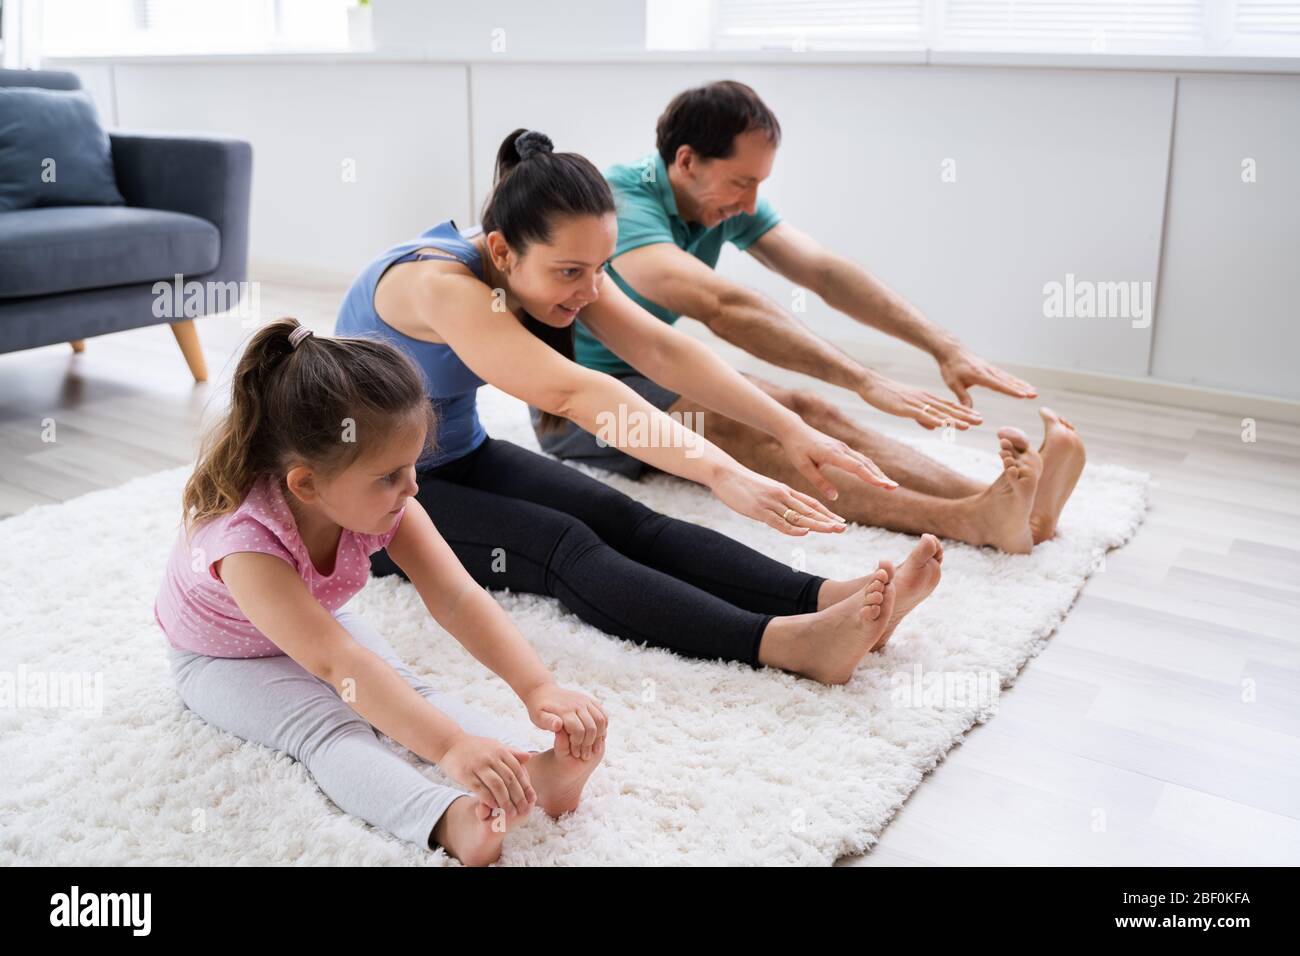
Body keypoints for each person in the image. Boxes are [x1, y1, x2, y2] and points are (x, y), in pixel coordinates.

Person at [336, 128, 945, 686]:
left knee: (625, 518)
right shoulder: (441, 288)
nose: (592, 288)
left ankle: (823, 598)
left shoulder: (552, 267)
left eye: (600, 267)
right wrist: (719, 470)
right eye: (574, 271)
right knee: (561, 543)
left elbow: (661, 348)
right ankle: (782, 644)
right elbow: (576, 394)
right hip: (373, 497)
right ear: (500, 251)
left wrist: (789, 428)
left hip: (460, 454)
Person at [536, 80, 1086, 554]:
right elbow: (721, 307)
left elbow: (822, 272)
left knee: (805, 409)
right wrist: (865, 379)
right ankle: (966, 520)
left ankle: (1002, 499)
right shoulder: (625, 206)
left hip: (652, 373)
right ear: (685, 161)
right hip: (577, 409)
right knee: (736, 427)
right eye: (741, 182)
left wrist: (942, 346)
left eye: (759, 184)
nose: (750, 204)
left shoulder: (716, 198)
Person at [154, 318, 607, 865]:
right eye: (389, 475)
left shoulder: (387, 502)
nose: (412, 486)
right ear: (306, 485)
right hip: (221, 657)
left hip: (317, 624)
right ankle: (445, 819)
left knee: (410, 693)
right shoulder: (245, 544)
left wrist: (537, 687)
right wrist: (448, 749)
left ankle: (533, 776)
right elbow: (334, 661)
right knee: (329, 727)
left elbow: (457, 597)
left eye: (413, 465)